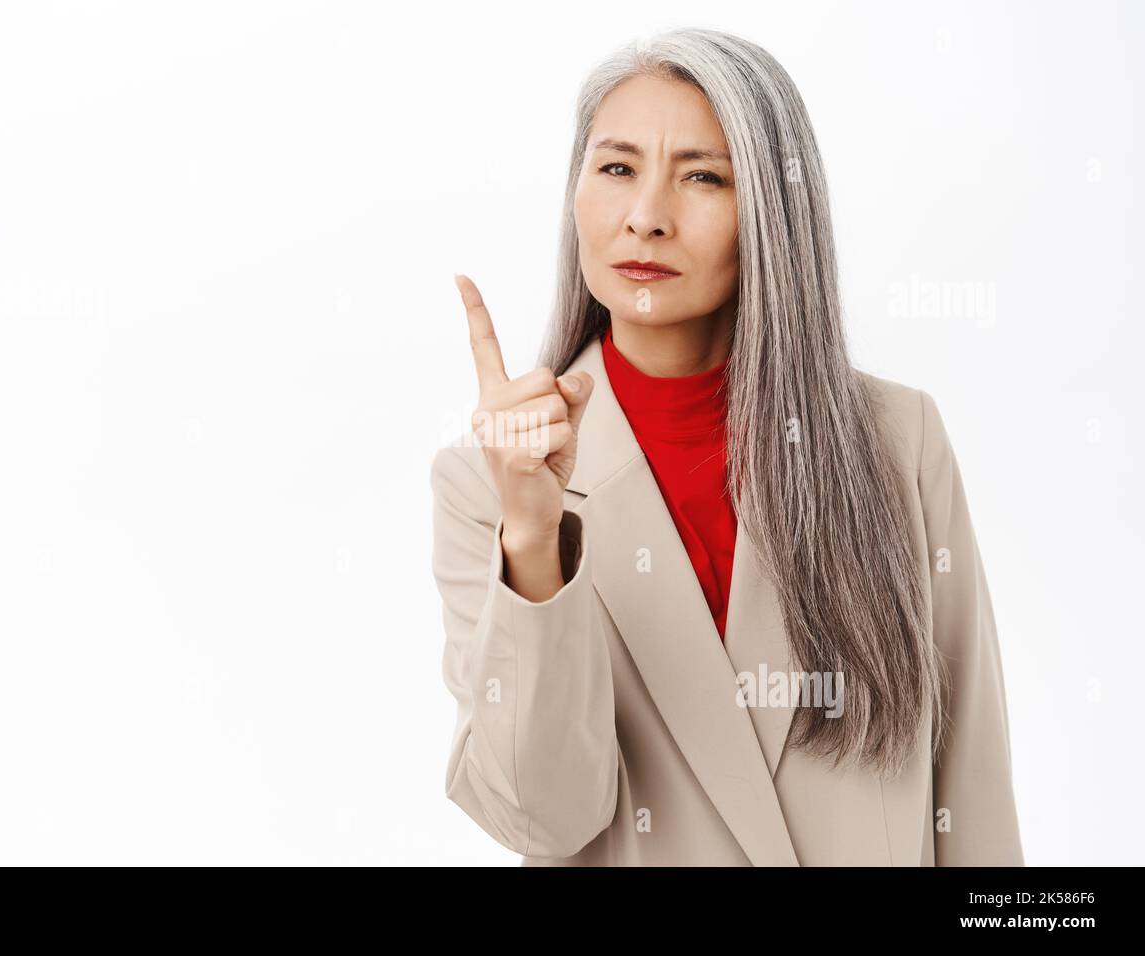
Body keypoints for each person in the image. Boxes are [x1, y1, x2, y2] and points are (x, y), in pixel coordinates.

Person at [430, 27, 1023, 866]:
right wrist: (531, 539)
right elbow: (546, 820)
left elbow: (974, 791)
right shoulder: (482, 483)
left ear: (774, 215)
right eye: (616, 168)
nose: (646, 217)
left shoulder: (899, 442)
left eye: (703, 176)